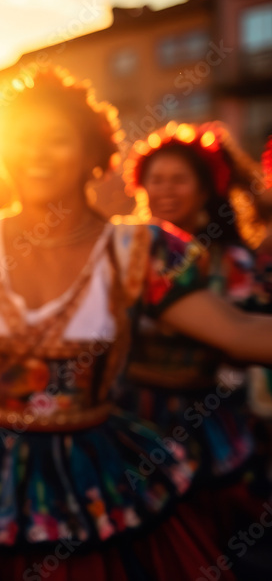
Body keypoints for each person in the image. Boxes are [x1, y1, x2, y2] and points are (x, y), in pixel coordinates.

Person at [0, 68, 272, 581]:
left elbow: (240, 334)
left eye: (56, 140)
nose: (35, 154)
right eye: (21, 139)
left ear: (95, 154)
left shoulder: (139, 249)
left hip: (98, 472)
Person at [119, 122, 271, 537]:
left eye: (179, 180)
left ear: (205, 191)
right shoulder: (123, 254)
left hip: (206, 420)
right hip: (129, 418)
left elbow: (243, 338)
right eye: (157, 179)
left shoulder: (231, 262)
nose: (166, 189)